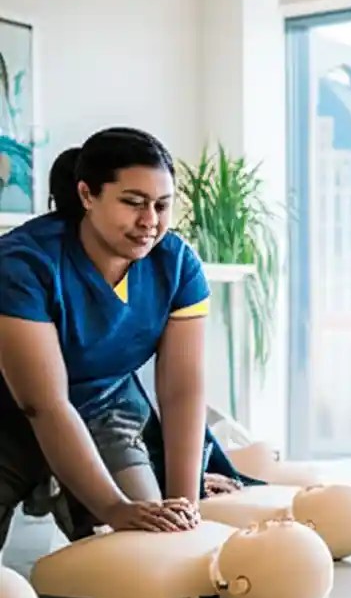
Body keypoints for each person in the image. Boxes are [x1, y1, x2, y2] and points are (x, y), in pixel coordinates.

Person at [0, 128, 221, 547]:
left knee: (151, 540)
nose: (150, 221)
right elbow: (42, 403)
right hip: (9, 416)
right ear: (87, 195)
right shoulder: (21, 264)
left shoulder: (177, 266)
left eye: (162, 205)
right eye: (133, 203)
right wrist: (114, 508)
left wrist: (183, 505)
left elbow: (182, 391)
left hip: (105, 410)